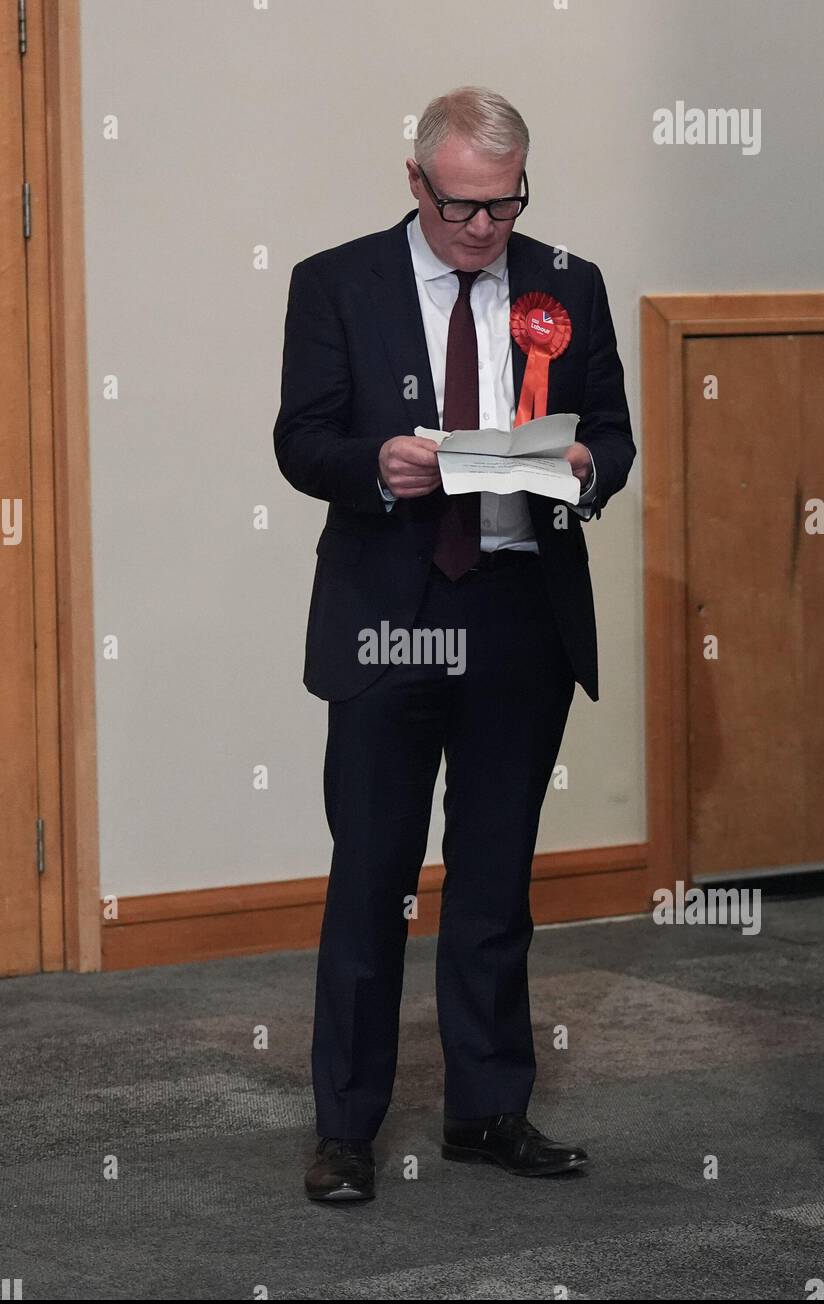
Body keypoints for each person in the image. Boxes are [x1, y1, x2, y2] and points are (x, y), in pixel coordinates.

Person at [274, 86, 636, 1203]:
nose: (485, 228)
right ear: (415, 182)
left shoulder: (568, 283)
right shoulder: (336, 282)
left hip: (517, 612)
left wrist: (585, 471)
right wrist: (372, 466)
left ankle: (487, 1107)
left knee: (491, 880)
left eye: (505, 203)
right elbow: (301, 438)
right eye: (462, 206)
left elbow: (611, 432)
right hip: (391, 610)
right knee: (372, 874)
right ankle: (344, 1127)